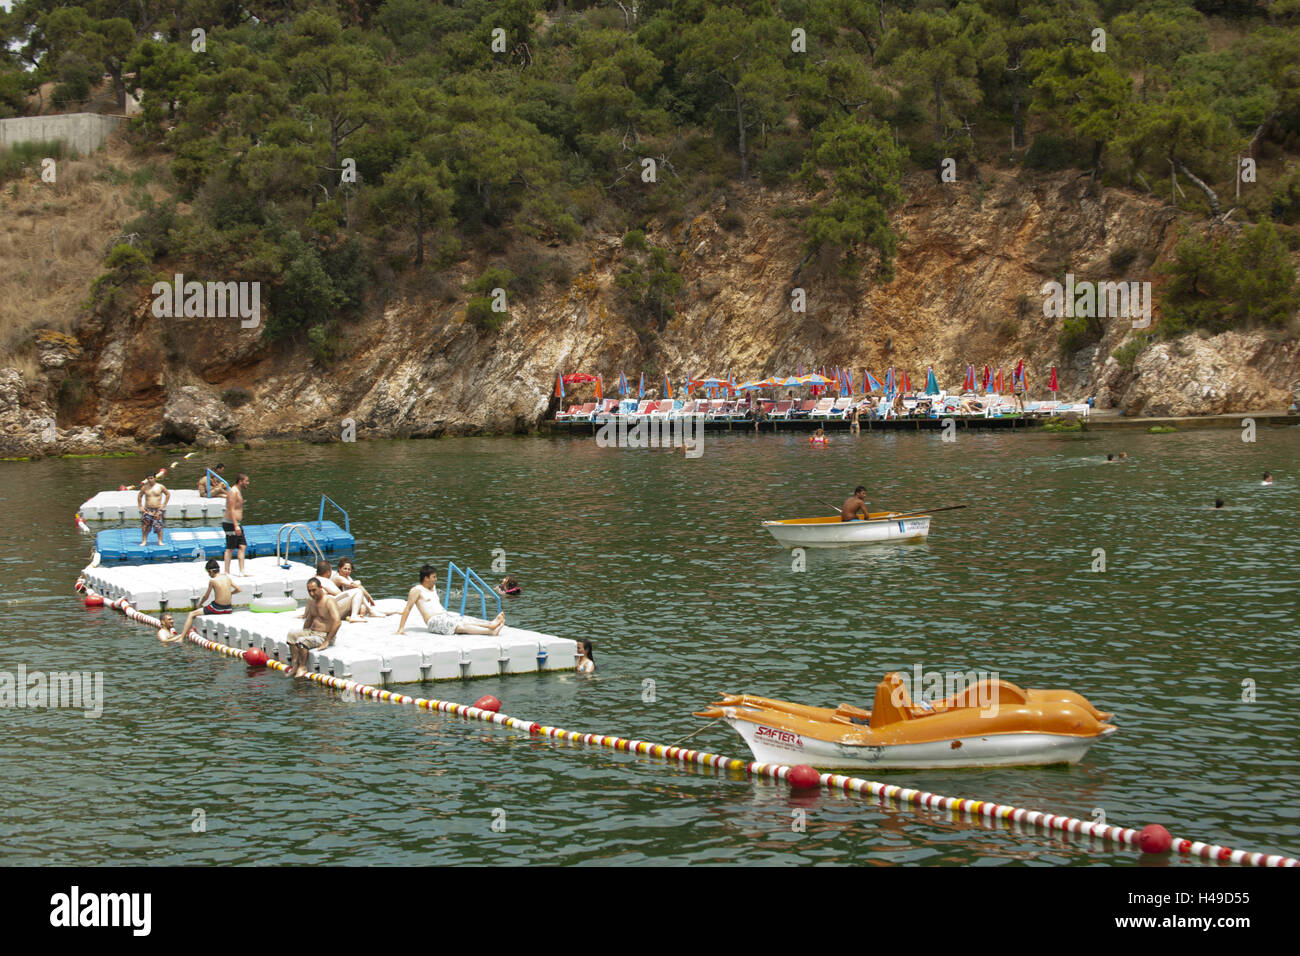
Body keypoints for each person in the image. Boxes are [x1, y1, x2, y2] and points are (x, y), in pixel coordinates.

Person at [396, 564, 504, 636]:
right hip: (433, 621)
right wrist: (401, 628)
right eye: (434, 577)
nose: (436, 579)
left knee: (465, 620)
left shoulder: (433, 588)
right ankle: (490, 631)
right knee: (460, 626)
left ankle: (491, 624)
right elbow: (407, 608)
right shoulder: (416, 590)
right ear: (426, 578)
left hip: (445, 616)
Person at [286, 577, 342, 678]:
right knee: (292, 634)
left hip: (324, 636)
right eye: (309, 591)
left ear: (321, 587)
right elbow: (309, 619)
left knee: (302, 641)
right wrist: (304, 632)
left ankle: (302, 666)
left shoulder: (329, 601)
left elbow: (337, 622)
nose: (311, 593)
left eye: (314, 590)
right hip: (312, 632)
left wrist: (327, 641)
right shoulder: (312, 601)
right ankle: (295, 665)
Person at [179, 559, 241, 638]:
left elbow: (206, 596)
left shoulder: (213, 580)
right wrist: (230, 593)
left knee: (191, 614)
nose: (208, 575)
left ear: (211, 571)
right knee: (211, 605)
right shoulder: (227, 578)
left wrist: (200, 604)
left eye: (208, 572)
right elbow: (239, 589)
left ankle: (182, 637)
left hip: (217, 608)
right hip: (228, 609)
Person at [222, 473, 250, 576]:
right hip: (230, 523)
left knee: (242, 546)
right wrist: (235, 525)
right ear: (240, 481)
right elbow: (231, 508)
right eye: (246, 481)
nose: (248, 483)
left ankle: (242, 571)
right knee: (230, 548)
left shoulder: (238, 491)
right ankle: (226, 571)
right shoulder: (233, 491)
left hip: (237, 523)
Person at [137, 476, 170, 546]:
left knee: (158, 526)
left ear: (155, 478)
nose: (150, 480)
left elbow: (167, 494)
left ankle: (160, 541)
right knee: (145, 526)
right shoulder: (145, 487)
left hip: (157, 509)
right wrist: (140, 506)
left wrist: (164, 505)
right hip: (147, 509)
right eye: (148, 478)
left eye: (151, 478)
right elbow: (140, 496)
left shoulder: (160, 486)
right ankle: (144, 541)